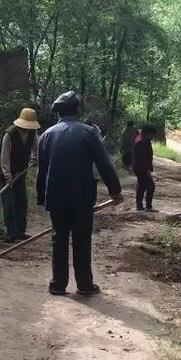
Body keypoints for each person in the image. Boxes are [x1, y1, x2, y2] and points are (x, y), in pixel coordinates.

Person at [36, 91, 123, 296]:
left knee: (59, 240)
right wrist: (115, 191)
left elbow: (42, 170)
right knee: (82, 240)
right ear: (77, 109)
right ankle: (84, 285)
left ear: (58, 112)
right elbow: (104, 164)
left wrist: (41, 197)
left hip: (56, 199)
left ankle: (58, 284)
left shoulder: (47, 135)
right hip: (82, 197)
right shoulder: (88, 132)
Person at [0, 107, 40, 242]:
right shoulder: (9, 134)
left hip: (21, 172)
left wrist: (34, 158)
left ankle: (20, 231)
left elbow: (36, 147)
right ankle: (10, 232)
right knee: (9, 203)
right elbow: (4, 159)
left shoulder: (33, 132)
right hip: (6, 173)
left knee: (22, 202)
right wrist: (8, 177)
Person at [132, 123, 157, 212]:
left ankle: (140, 206)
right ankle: (148, 206)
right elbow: (142, 158)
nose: (153, 137)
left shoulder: (143, 140)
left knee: (142, 186)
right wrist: (147, 170)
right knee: (150, 185)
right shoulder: (141, 142)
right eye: (152, 135)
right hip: (141, 168)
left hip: (140, 168)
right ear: (147, 133)